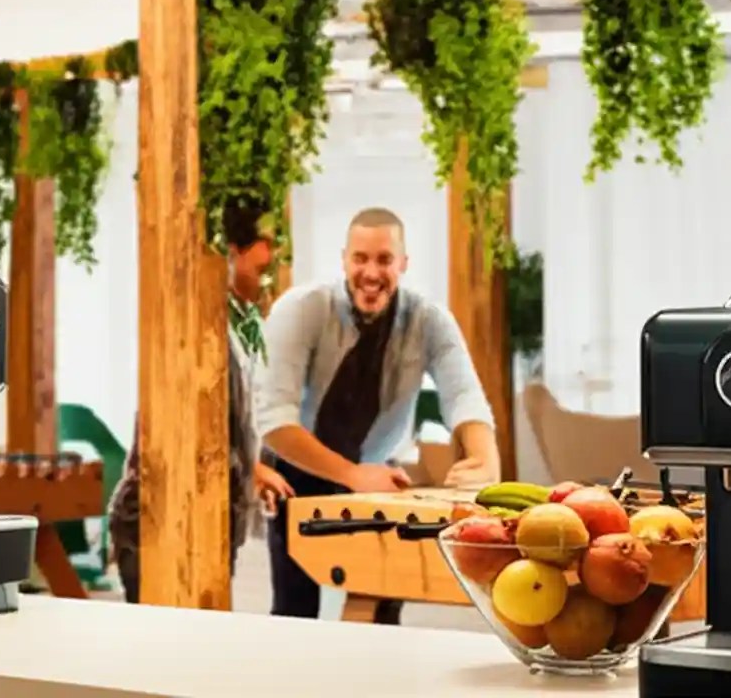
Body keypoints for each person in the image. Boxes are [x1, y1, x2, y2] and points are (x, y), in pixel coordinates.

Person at [254, 207, 500, 623]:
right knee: (294, 613)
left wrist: (485, 457)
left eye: (384, 260)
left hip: (378, 477)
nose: (371, 272)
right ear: (344, 260)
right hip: (297, 469)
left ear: (403, 263)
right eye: (360, 259)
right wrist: (350, 474)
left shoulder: (429, 319)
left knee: (382, 600)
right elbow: (275, 423)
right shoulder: (300, 309)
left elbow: (464, 395)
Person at [107, 206, 294, 603]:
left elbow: (235, 419)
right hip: (159, 520)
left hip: (213, 520)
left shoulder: (241, 325)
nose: (276, 253)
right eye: (267, 242)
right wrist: (254, 466)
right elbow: (187, 425)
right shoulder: (194, 327)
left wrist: (255, 468)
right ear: (232, 252)